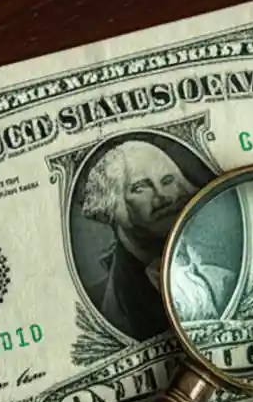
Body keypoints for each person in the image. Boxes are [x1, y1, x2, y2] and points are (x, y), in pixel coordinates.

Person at [81, 140, 234, 340]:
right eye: (140, 188)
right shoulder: (104, 303)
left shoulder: (222, 269)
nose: (163, 196)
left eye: (168, 181)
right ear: (113, 204)